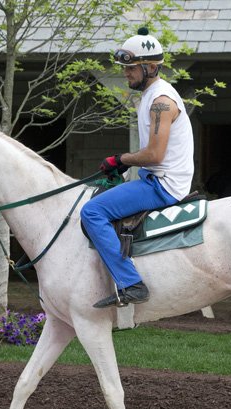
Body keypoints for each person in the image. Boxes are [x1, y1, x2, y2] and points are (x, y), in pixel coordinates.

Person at [80, 28, 194, 308]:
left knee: (92, 212)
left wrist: (120, 160)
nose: (125, 73)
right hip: (154, 178)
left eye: (131, 68)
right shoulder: (152, 96)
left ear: (151, 67)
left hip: (163, 185)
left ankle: (131, 284)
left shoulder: (161, 103)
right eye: (125, 68)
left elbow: (154, 154)